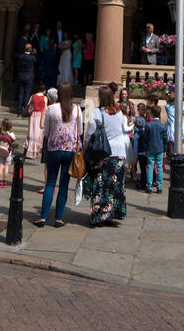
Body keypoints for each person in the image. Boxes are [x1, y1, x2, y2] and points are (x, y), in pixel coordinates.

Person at [36, 81, 82, 227]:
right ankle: (58, 218)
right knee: (63, 185)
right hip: (70, 150)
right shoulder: (77, 109)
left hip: (54, 149)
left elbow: (47, 131)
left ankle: (43, 217)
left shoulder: (52, 109)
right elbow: (79, 131)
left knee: (50, 183)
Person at [83, 85, 129, 227]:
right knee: (115, 184)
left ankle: (99, 216)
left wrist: (84, 147)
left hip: (103, 153)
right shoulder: (119, 112)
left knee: (100, 184)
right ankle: (111, 215)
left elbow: (90, 132)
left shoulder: (98, 112)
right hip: (119, 152)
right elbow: (123, 129)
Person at [144, 105, 166, 193]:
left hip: (150, 148)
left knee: (150, 167)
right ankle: (159, 187)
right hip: (160, 148)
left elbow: (145, 139)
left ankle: (149, 187)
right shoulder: (163, 126)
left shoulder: (148, 125)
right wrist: (165, 150)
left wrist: (145, 149)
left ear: (152, 114)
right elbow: (165, 139)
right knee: (159, 167)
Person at [26, 84, 47, 159]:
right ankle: (36, 152)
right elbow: (45, 110)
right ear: (44, 91)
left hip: (32, 115)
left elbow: (29, 106)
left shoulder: (33, 96)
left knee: (31, 132)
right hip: (39, 116)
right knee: (38, 133)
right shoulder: (44, 98)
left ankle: (29, 150)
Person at [15, 43, 37, 114]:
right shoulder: (32, 57)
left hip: (21, 76)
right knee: (27, 93)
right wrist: (34, 53)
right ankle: (25, 109)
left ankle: (19, 109)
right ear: (30, 49)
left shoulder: (20, 57)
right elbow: (36, 60)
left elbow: (18, 66)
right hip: (29, 77)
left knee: (21, 93)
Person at [0, 118, 17, 187]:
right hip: (8, 152)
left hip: (0, 151)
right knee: (6, 167)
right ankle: (4, 182)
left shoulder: (0, 133)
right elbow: (14, 139)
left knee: (1, 166)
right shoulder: (10, 133)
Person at [132, 102, 148, 190]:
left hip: (142, 141)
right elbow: (132, 126)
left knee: (142, 161)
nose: (143, 111)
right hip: (137, 139)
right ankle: (134, 174)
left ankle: (142, 178)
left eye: (144, 110)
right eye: (141, 109)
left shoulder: (146, 119)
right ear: (138, 110)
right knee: (135, 158)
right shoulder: (136, 118)